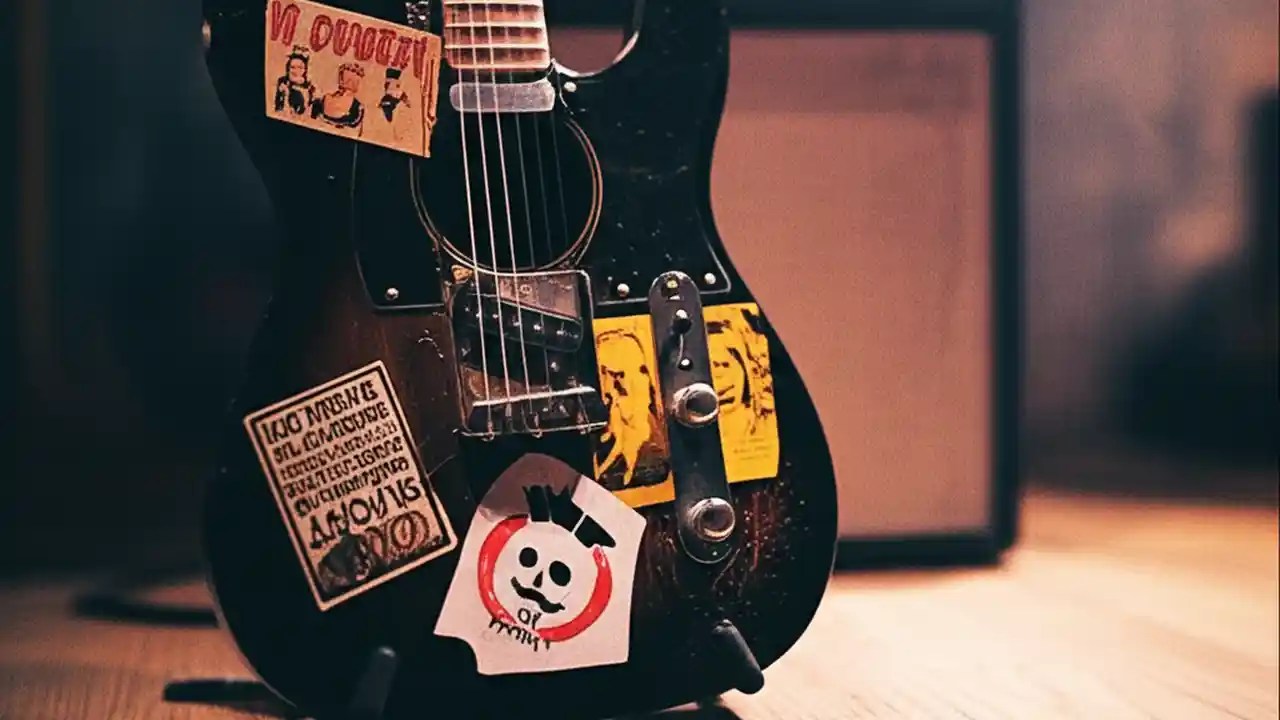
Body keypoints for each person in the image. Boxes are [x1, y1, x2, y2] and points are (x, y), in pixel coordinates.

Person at [273, 46, 316, 117]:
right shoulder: (283, 84)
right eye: (292, 67)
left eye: (300, 68)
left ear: (305, 70)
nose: (296, 71)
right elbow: (278, 110)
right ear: (288, 69)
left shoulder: (310, 89)